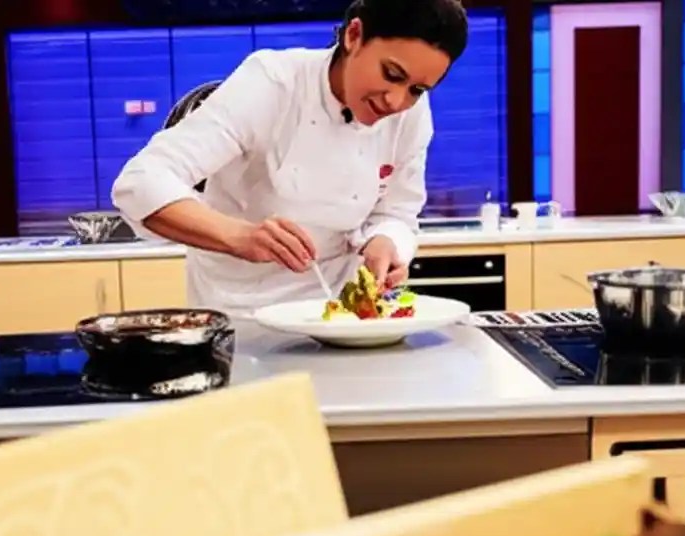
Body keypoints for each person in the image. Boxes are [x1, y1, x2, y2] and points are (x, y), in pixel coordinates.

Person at [111, 0, 469, 315]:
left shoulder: (410, 115)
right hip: (242, 320)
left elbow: (397, 213)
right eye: (392, 74)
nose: (396, 101)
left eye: (417, 90)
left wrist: (386, 243)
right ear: (354, 36)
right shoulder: (273, 82)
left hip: (340, 319)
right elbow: (141, 182)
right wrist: (239, 236)